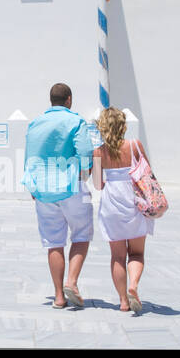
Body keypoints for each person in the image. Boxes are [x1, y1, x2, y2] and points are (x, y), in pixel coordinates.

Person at [21, 83, 93, 309]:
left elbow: (29, 155)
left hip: (43, 190)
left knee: (54, 242)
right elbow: (86, 151)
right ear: (69, 99)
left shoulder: (36, 123)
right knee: (81, 235)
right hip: (72, 186)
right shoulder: (76, 120)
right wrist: (86, 172)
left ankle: (59, 296)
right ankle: (72, 282)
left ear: (50, 100)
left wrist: (33, 186)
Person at [93, 107, 152, 314]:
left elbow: (98, 185)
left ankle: (123, 302)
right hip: (135, 201)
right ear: (123, 125)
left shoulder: (98, 152)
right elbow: (147, 173)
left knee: (117, 256)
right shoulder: (135, 145)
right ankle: (133, 285)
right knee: (136, 253)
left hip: (112, 203)